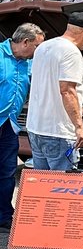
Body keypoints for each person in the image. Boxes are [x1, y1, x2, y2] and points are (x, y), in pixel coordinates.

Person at [25, 12, 83, 171]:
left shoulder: (43, 47)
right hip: (58, 132)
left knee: (42, 185)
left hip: (35, 128)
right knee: (62, 188)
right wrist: (79, 127)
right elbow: (67, 90)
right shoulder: (71, 52)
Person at [0, 22, 46, 230]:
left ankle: (4, 216)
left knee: (7, 171)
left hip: (9, 124)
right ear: (25, 42)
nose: (39, 51)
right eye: (37, 46)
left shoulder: (28, 63)